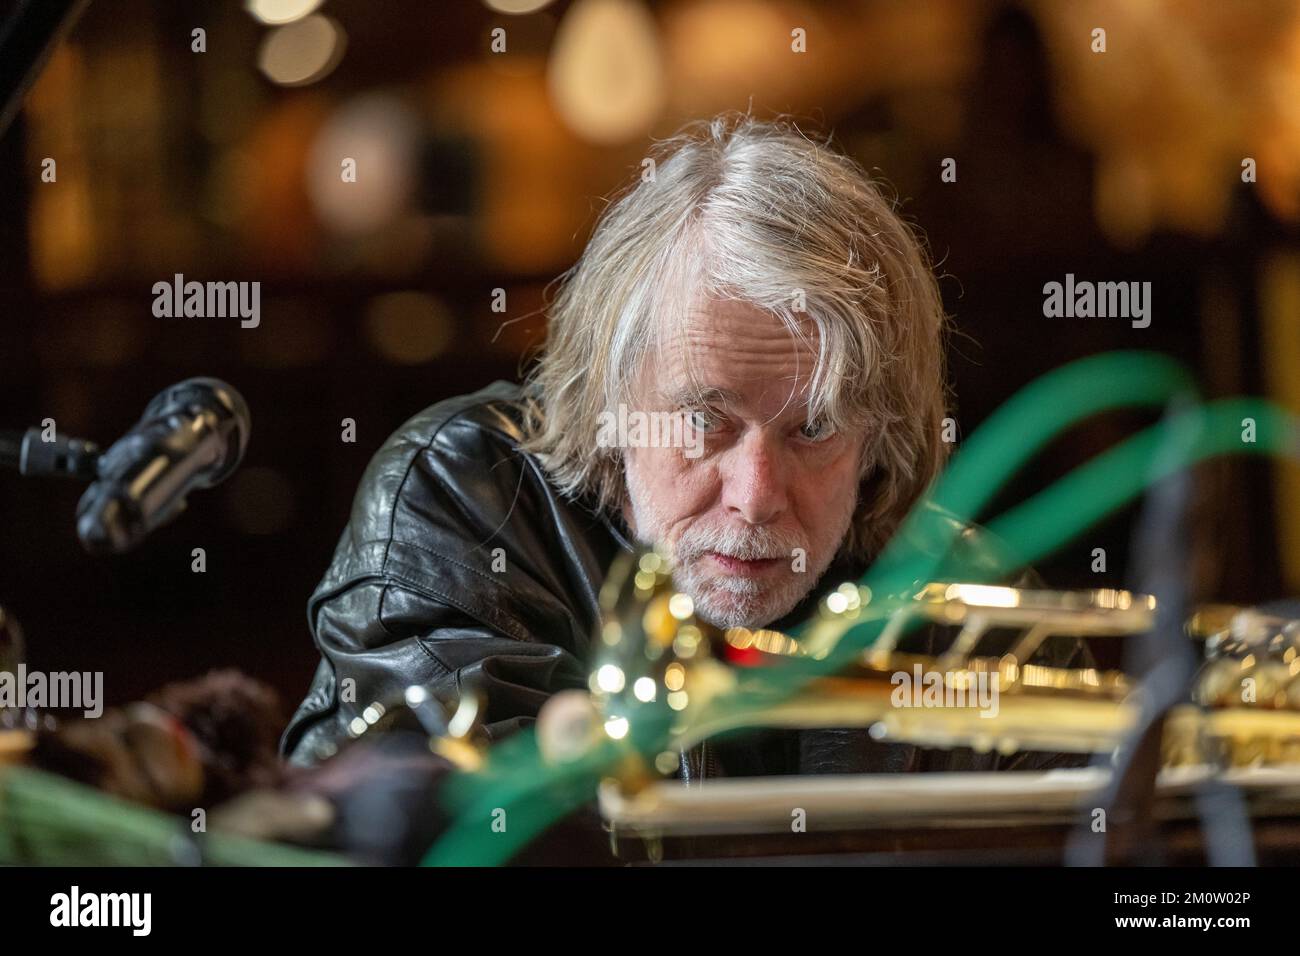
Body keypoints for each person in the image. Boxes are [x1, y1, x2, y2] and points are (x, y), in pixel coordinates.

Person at [281, 112, 1087, 777]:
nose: (757, 493)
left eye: (813, 428)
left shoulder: (976, 607)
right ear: (611, 398)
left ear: (881, 436)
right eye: (703, 422)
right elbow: (449, 834)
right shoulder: (461, 503)